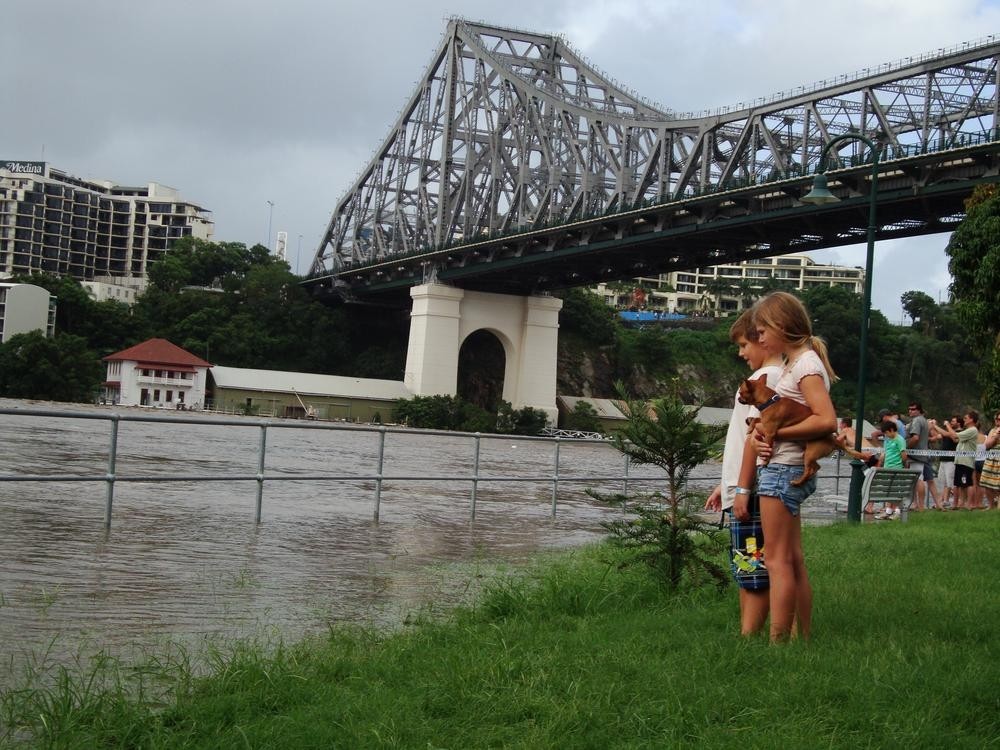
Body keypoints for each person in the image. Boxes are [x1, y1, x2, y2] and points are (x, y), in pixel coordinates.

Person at [747, 292, 837, 643]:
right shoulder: (797, 362)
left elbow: (826, 420)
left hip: (783, 470)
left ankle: (778, 641)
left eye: (761, 330)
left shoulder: (804, 365)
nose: (758, 338)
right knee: (792, 559)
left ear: (780, 325)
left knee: (777, 560)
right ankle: (801, 637)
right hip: (788, 468)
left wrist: (777, 432)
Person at [704, 311, 783, 635]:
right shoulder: (774, 375)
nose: (741, 353)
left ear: (762, 339)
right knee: (746, 560)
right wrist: (726, 484)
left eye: (744, 344)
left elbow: (756, 436)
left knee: (752, 562)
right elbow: (742, 439)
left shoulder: (766, 378)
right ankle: (747, 631)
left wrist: (742, 488)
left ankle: (747, 636)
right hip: (742, 485)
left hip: (749, 490)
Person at [939, 411, 980, 510]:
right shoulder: (967, 431)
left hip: (966, 461)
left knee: (968, 483)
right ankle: (960, 503)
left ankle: (969, 504)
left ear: (971, 419)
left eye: (966, 418)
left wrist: (948, 425)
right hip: (960, 460)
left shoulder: (972, 430)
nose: (964, 420)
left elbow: (955, 435)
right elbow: (955, 438)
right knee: (960, 484)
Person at [906, 402, 943, 511]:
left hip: (916, 455)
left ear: (919, 410)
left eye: (913, 409)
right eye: (909, 409)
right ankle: (939, 504)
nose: (910, 411)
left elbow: (916, 438)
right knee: (930, 480)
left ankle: (920, 506)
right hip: (925, 453)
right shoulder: (924, 421)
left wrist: (907, 447)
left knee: (918, 480)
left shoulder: (917, 420)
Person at [874, 421, 908, 520]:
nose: (886, 435)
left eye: (886, 433)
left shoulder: (899, 440)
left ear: (892, 430)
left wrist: (901, 463)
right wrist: (880, 463)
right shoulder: (888, 440)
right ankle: (888, 511)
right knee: (889, 490)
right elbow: (885, 453)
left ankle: (897, 511)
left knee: (895, 490)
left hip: (896, 468)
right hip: (887, 467)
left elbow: (904, 455)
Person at [929, 415, 961, 508]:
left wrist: (942, 425)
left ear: (959, 423)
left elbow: (951, 435)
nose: (951, 422)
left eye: (953, 421)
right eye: (950, 421)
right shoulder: (948, 431)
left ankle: (954, 501)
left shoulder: (959, 432)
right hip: (943, 460)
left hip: (951, 460)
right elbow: (937, 435)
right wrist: (932, 425)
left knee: (951, 482)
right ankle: (944, 501)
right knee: (944, 482)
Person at [979, 411, 1000, 510]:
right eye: (996, 419)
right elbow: (986, 445)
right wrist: (995, 437)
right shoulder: (993, 430)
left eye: (999, 419)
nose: (997, 421)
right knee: (986, 481)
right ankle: (991, 505)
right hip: (991, 459)